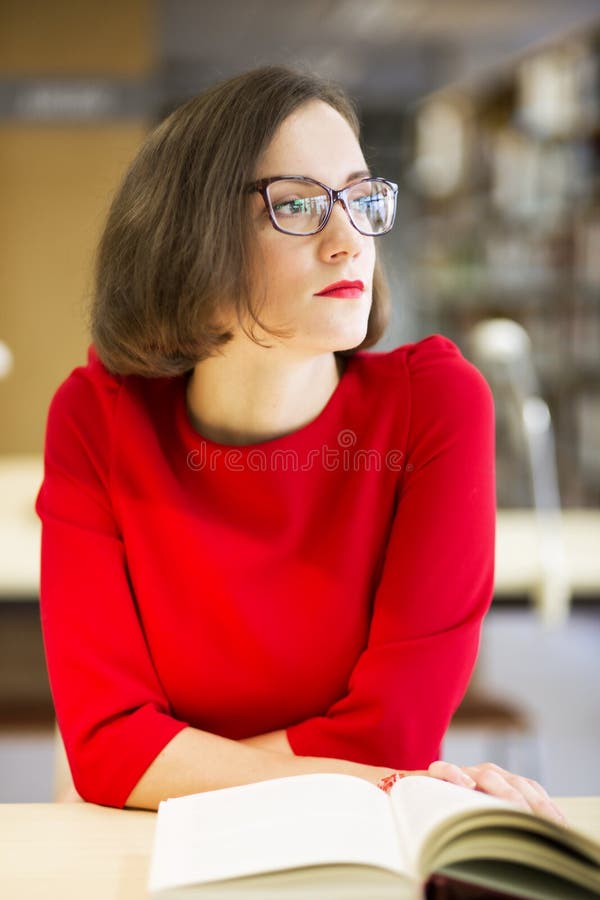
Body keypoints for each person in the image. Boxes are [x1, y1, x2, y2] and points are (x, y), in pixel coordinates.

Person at [35, 64, 563, 822]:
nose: (350, 242)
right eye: (297, 206)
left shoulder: (436, 409)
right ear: (187, 241)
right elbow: (107, 750)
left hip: (327, 848)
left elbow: (395, 733)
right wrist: (359, 774)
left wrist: (167, 768)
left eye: (360, 199)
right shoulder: (95, 417)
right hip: (152, 862)